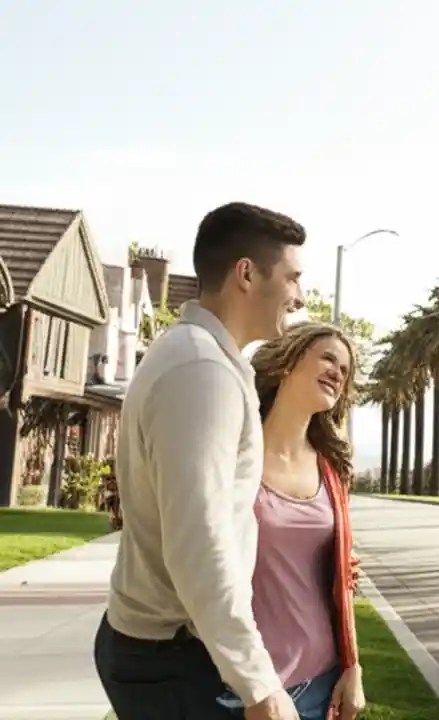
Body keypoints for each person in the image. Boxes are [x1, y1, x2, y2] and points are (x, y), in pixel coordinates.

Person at [95, 201, 306, 720]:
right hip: (170, 659)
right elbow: (199, 540)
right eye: (294, 277)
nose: (299, 295)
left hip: (168, 651)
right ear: (246, 274)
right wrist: (258, 684)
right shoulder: (201, 371)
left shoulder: (202, 359)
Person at [214, 322, 365, 719]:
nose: (337, 372)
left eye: (345, 370)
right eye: (328, 358)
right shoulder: (233, 452)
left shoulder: (332, 470)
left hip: (320, 678)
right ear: (286, 364)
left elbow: (342, 577)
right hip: (244, 685)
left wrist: (352, 665)